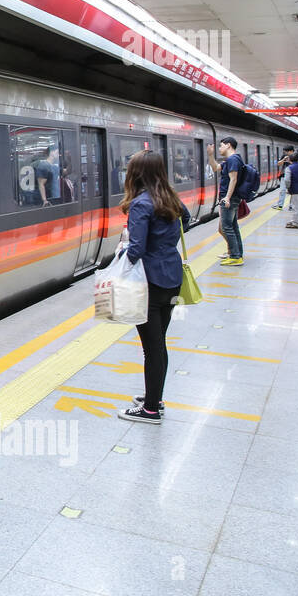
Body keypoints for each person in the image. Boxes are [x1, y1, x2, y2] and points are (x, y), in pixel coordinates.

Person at [116, 150, 191, 424]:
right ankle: (154, 397)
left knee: (152, 347)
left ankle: (150, 409)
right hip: (171, 277)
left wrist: (120, 261)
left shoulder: (140, 204)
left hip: (148, 282)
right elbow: (187, 221)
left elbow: (136, 248)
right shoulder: (172, 199)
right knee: (159, 343)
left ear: (136, 174)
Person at [206, 137, 245, 265]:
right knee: (233, 227)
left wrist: (227, 197)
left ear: (228, 145)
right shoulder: (231, 160)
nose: (219, 148)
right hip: (230, 198)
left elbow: (233, 179)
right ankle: (237, 253)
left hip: (229, 198)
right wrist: (210, 155)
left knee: (227, 227)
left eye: (221, 146)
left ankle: (235, 256)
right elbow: (216, 168)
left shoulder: (233, 159)